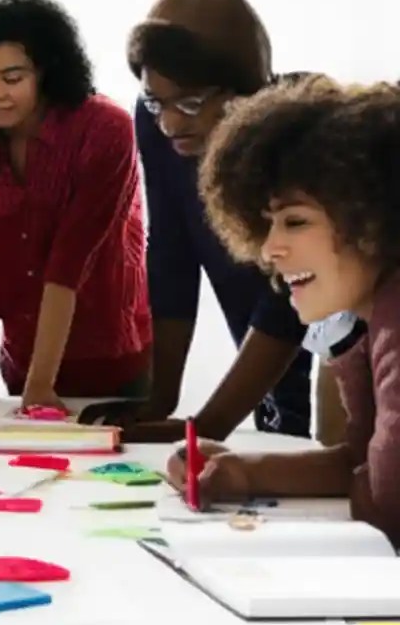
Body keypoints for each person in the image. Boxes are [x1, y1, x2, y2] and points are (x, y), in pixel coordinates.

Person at [89, 0, 329, 440]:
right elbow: (173, 257)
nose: (169, 121)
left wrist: (206, 428)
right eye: (155, 100)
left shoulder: (303, 127)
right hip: (265, 325)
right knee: (276, 438)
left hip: (335, 338)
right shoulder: (159, 121)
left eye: (192, 102)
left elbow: (285, 297)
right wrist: (161, 399)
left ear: (248, 95)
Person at [168, 77, 400, 548]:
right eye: (268, 223)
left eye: (295, 221)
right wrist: (241, 471)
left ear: (373, 218)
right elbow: (362, 459)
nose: (270, 249)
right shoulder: (371, 319)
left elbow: (387, 505)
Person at [0, 0, 151, 410]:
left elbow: (70, 263)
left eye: (12, 78)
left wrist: (42, 383)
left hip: (110, 364)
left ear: (46, 71)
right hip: (22, 366)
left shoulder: (106, 129)